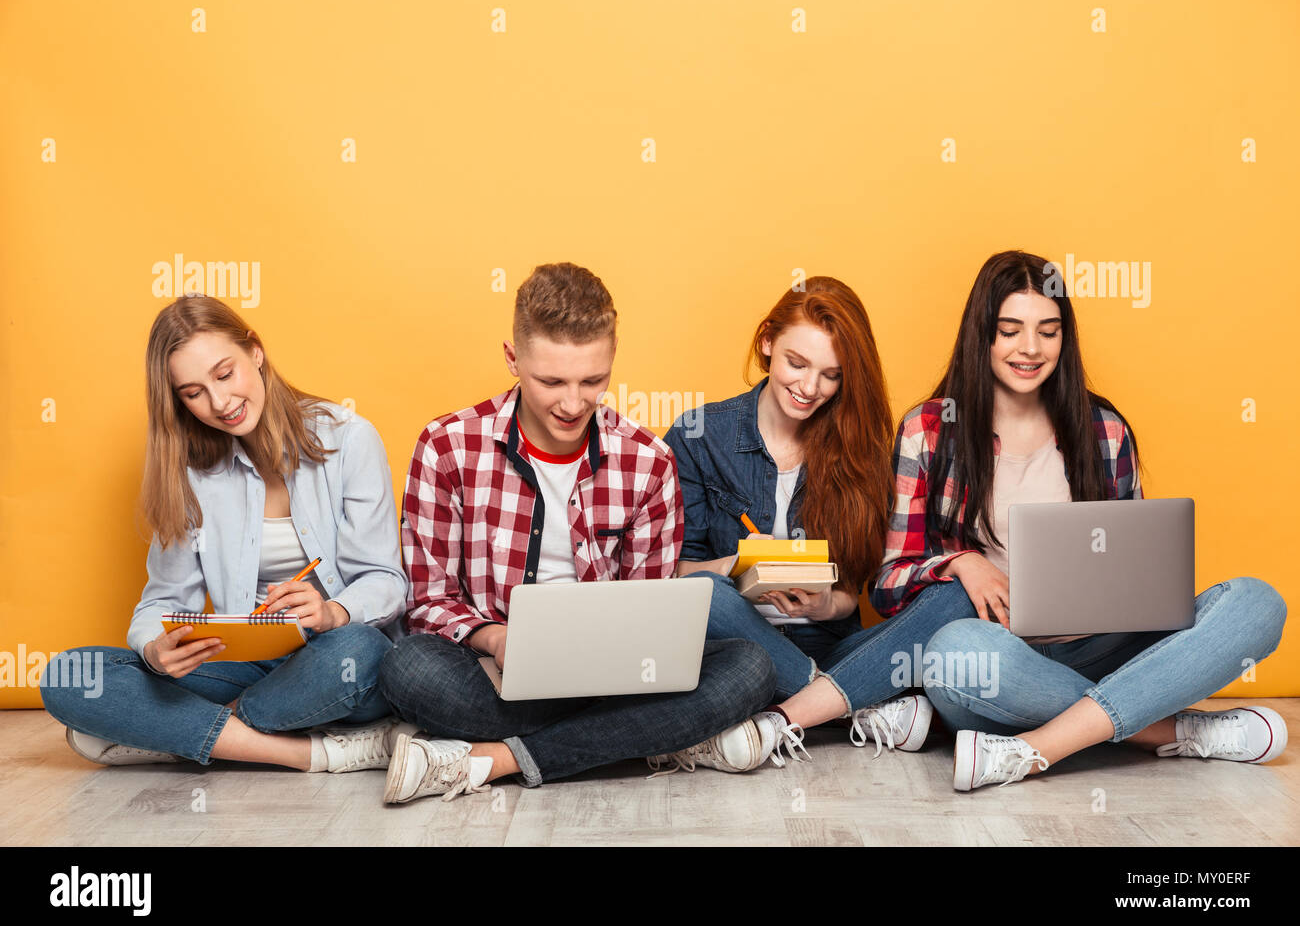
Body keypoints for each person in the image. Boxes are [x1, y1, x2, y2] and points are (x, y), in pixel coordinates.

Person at [873, 250, 1288, 791]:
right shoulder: (927, 429)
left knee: (1258, 603)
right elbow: (886, 586)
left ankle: (1033, 749)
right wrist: (961, 563)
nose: (1030, 349)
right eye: (1010, 330)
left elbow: (1143, 575)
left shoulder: (1105, 430)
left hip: (1111, 651)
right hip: (1007, 664)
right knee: (954, 655)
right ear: (982, 335)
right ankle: (1175, 730)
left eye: (1048, 331)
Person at [377, 262, 777, 803]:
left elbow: (651, 613)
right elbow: (429, 601)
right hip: (494, 671)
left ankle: (494, 759)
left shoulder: (648, 461)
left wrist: (625, 663)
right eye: (551, 381)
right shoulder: (447, 445)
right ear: (512, 358)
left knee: (751, 668)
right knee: (407, 667)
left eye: (593, 381)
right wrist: (493, 637)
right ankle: (658, 737)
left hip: (614, 677)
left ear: (612, 359)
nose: (572, 404)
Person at [40, 295, 412, 774]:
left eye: (224, 374)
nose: (220, 403)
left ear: (254, 352)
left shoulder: (349, 439)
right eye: (193, 393)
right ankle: (308, 753)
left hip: (332, 661)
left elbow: (385, 579)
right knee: (69, 676)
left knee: (361, 652)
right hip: (242, 669)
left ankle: (175, 735)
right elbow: (161, 602)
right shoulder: (188, 471)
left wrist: (331, 611)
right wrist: (156, 649)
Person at [665, 277, 960, 765]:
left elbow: (855, 593)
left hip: (829, 646)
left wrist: (826, 605)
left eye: (830, 375)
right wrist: (737, 566)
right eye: (796, 363)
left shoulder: (861, 449)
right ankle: (850, 707)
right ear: (766, 343)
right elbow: (669, 575)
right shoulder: (699, 436)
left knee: (950, 598)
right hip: (734, 648)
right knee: (708, 596)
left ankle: (797, 708)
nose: (808, 387)